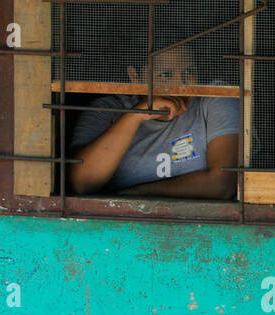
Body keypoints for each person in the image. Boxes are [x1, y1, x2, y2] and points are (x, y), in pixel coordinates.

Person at [67, 41, 239, 198]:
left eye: (189, 72)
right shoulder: (108, 110)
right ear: (135, 77)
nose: (181, 84)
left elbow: (222, 184)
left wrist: (135, 194)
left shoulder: (214, 99)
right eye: (165, 75)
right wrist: (136, 115)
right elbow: (82, 184)